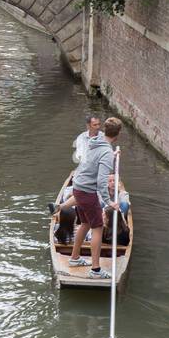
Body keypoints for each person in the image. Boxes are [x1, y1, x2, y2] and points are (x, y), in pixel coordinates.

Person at [68, 116, 123, 279]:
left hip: (77, 187)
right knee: (97, 227)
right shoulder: (105, 151)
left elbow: (97, 157)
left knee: (84, 223)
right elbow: (101, 182)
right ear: (117, 135)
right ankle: (96, 270)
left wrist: (112, 154)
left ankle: (74, 258)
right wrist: (109, 202)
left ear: (104, 130)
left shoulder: (96, 140)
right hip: (87, 191)